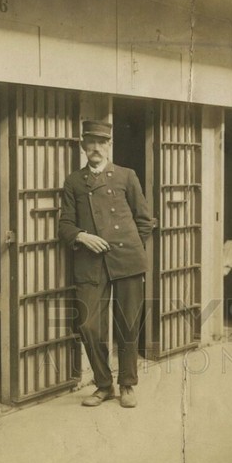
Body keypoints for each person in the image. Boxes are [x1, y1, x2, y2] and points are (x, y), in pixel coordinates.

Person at [59, 120, 155, 408]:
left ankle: (127, 385)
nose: (96, 148)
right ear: (83, 146)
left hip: (127, 259)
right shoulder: (74, 181)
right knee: (88, 325)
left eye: (102, 142)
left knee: (127, 324)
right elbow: (64, 224)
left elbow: (145, 220)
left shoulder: (126, 176)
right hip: (91, 262)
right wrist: (83, 237)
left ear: (109, 145)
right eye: (91, 143)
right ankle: (104, 385)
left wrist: (129, 245)